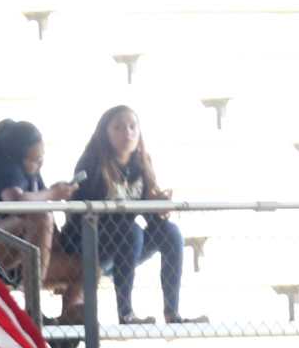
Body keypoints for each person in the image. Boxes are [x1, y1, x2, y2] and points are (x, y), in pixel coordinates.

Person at [71, 105, 201, 325]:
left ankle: (172, 313)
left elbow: (149, 218)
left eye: (133, 127)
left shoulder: (142, 162)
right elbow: (83, 213)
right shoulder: (91, 162)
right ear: (105, 132)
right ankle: (126, 313)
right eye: (119, 127)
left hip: (127, 240)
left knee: (170, 232)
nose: (127, 133)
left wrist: (157, 207)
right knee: (131, 231)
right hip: (88, 238)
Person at [0, 118, 79, 313]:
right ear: (14, 155)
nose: (37, 164)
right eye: (33, 159)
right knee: (41, 217)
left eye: (41, 159)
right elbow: (16, 202)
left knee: (88, 268)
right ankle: (33, 312)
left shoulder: (32, 171)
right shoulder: (4, 167)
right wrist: (52, 193)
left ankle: (71, 319)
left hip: (18, 260)